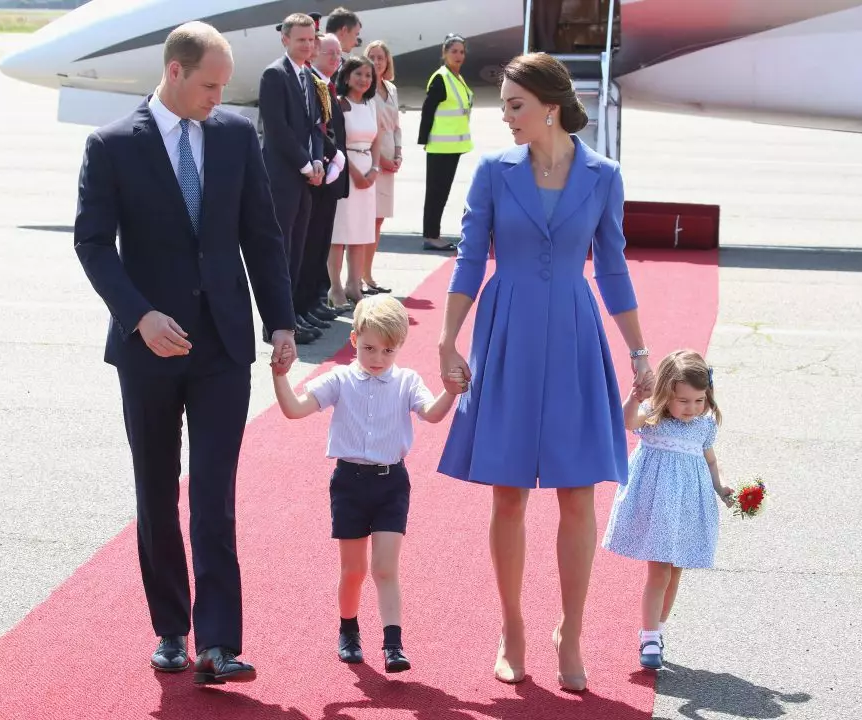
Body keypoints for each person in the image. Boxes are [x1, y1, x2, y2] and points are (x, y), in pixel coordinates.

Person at [73, 21, 299, 686]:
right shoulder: (112, 146)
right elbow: (92, 243)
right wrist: (138, 315)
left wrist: (281, 321)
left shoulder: (233, 135)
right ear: (174, 72)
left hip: (224, 345)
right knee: (156, 490)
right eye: (209, 84)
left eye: (224, 85)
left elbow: (263, 234)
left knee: (214, 495)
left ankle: (219, 643)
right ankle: (171, 629)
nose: (218, 96)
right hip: (148, 349)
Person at [435, 52, 655, 693]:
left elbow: (612, 268)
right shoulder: (492, 172)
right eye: (504, 105)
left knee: (578, 492)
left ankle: (572, 629)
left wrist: (640, 353)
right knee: (508, 491)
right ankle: (512, 627)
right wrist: (448, 342)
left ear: (549, 108)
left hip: (575, 337)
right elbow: (470, 260)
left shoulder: (604, 176)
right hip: (505, 335)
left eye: (514, 105)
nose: (504, 117)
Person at [271, 295, 460, 672]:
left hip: (392, 483)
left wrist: (450, 392)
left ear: (399, 347)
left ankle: (393, 644)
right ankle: (349, 630)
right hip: (349, 484)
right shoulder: (340, 379)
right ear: (354, 339)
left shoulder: (406, 380)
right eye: (370, 348)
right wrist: (280, 376)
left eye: (388, 350)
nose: (378, 358)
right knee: (354, 570)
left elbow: (432, 415)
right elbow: (294, 409)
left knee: (386, 568)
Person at [601, 350, 733, 671]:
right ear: (666, 393)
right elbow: (626, 422)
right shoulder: (654, 416)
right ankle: (649, 636)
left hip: (687, 507)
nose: (692, 408)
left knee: (675, 575)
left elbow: (710, 460)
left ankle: (656, 628)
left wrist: (721, 488)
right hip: (657, 504)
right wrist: (634, 399)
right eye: (684, 401)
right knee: (659, 572)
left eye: (699, 400)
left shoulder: (703, 425)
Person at [259, 13, 327, 344]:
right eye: (301, 39)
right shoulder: (274, 75)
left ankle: (291, 317)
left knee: (297, 251)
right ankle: (275, 324)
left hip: (303, 178)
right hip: (283, 178)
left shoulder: (310, 76)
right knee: (280, 252)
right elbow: (277, 129)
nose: (307, 45)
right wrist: (305, 164)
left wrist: (317, 160)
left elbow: (314, 125)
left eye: (311, 39)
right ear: (285, 40)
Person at [298, 32, 350, 327]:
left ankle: (315, 300)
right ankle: (305, 303)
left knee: (320, 243)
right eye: (330, 53)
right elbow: (318, 128)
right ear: (315, 53)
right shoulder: (313, 83)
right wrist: (334, 155)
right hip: (319, 175)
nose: (336, 59)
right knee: (310, 244)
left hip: (331, 175)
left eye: (338, 54)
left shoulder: (326, 85)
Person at [327, 55, 380, 310]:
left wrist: (374, 169)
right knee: (339, 235)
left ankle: (354, 285)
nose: (364, 79)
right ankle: (335, 287)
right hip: (345, 172)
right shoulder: (339, 103)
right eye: (358, 74)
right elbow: (336, 141)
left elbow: (377, 139)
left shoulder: (370, 105)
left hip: (368, 170)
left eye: (368, 75)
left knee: (360, 234)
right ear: (347, 76)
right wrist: (356, 173)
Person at [418, 34, 473, 252]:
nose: (458, 56)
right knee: (436, 192)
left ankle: (434, 233)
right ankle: (431, 236)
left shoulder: (457, 77)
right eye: (454, 52)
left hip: (453, 146)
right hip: (440, 145)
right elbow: (427, 111)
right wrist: (424, 140)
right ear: (444, 53)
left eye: (461, 52)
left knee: (442, 192)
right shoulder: (442, 78)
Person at [364, 40, 402, 295]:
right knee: (364, 221)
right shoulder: (365, 89)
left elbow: (396, 125)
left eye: (381, 57)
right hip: (371, 158)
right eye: (373, 57)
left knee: (377, 222)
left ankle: (368, 274)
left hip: (390, 155)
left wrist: (398, 153)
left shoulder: (391, 88)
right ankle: (357, 276)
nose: (378, 61)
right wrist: (382, 160)